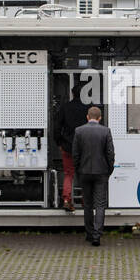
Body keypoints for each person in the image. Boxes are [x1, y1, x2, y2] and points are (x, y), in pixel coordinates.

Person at [71, 105, 115, 246]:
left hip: (84, 172)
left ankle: (89, 234)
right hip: (101, 172)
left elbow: (75, 154)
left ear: (87, 117)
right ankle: (97, 235)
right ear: (100, 118)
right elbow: (110, 153)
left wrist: (78, 169)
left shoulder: (79, 131)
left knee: (88, 204)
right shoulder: (106, 131)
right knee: (100, 204)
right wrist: (109, 169)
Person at [56, 82, 89, 212]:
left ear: (72, 93)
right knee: (84, 174)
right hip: (84, 147)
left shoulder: (65, 108)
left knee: (69, 174)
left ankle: (67, 200)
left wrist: (59, 143)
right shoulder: (87, 108)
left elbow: (57, 127)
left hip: (68, 146)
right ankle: (85, 200)